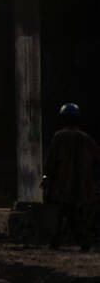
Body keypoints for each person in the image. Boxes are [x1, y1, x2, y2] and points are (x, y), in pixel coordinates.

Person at [42, 103, 100, 250]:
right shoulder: (85, 138)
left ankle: (77, 242)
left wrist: (46, 177)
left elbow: (51, 161)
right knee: (70, 213)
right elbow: (96, 159)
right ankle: (68, 242)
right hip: (81, 185)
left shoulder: (59, 136)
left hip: (62, 185)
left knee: (64, 214)